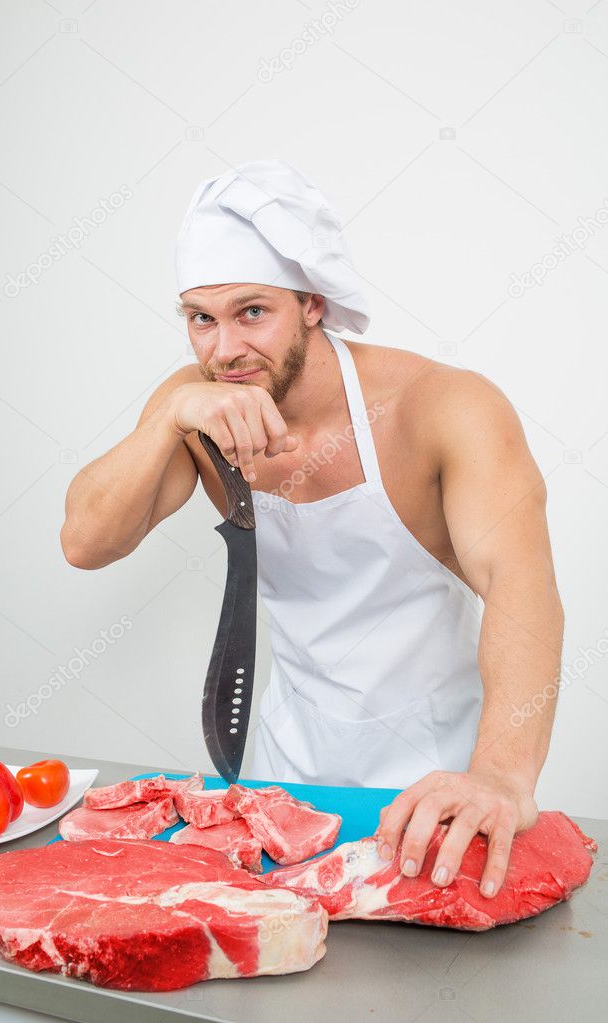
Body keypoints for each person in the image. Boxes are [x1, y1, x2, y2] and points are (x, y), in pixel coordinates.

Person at [60, 158, 563, 901]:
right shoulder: (199, 402)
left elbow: (522, 590)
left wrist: (501, 773)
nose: (223, 349)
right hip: (284, 775)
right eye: (201, 317)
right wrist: (168, 416)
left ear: (314, 304)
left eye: (251, 312)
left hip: (441, 779)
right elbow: (86, 541)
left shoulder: (441, 406)